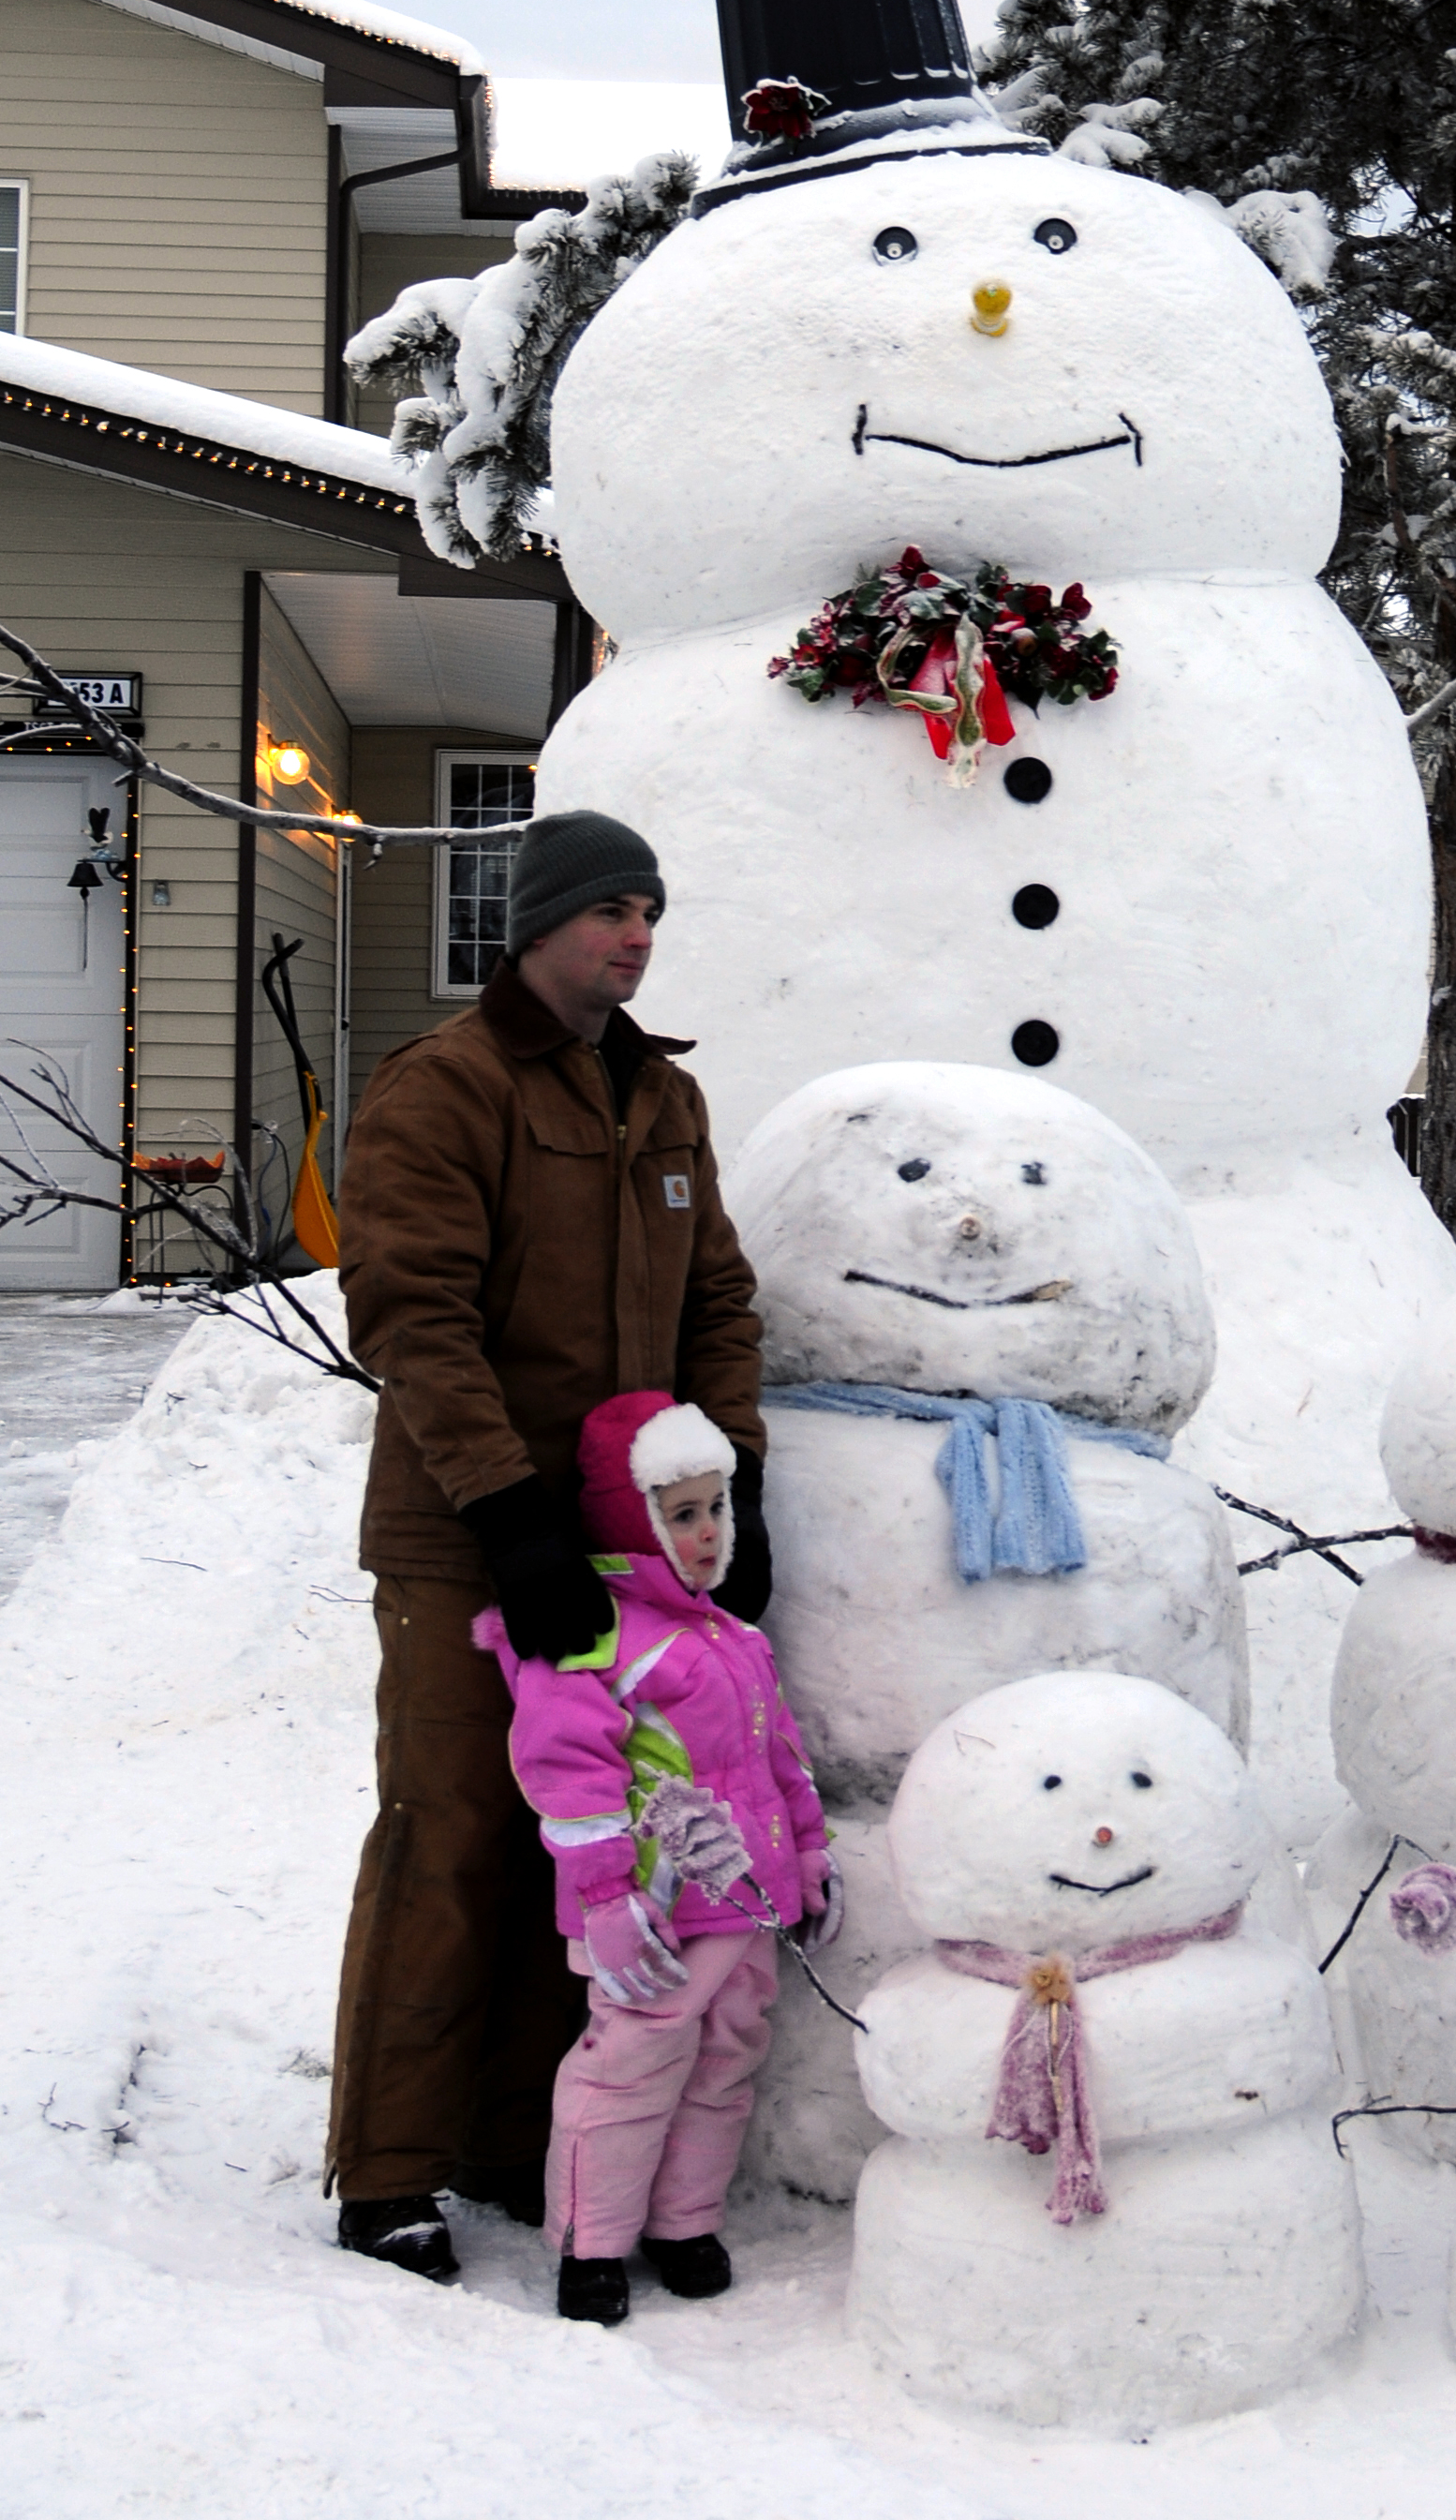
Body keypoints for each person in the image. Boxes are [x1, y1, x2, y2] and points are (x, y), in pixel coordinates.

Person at [325, 810, 772, 2280]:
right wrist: (506, 1509)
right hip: (471, 1540)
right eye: (607, 911)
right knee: (452, 1831)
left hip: (622, 1550)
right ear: (536, 923)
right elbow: (411, 1315)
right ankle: (391, 2167)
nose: (636, 934)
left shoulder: (665, 1103)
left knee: (580, 1839)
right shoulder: (443, 1089)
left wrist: (732, 1484)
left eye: (650, 909)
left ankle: (513, 2135)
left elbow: (718, 1301)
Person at [480, 1391, 834, 2327]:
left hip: (745, 1906)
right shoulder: (595, 1636)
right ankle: (590, 2243)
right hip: (651, 1912)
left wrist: (808, 1853)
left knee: (726, 2058)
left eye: (719, 1507)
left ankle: (684, 2222)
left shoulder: (735, 1638)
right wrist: (604, 1896)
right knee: (630, 2065)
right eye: (683, 1514)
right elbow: (566, 1773)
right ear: (629, 1518)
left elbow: (777, 1757)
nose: (711, 1532)